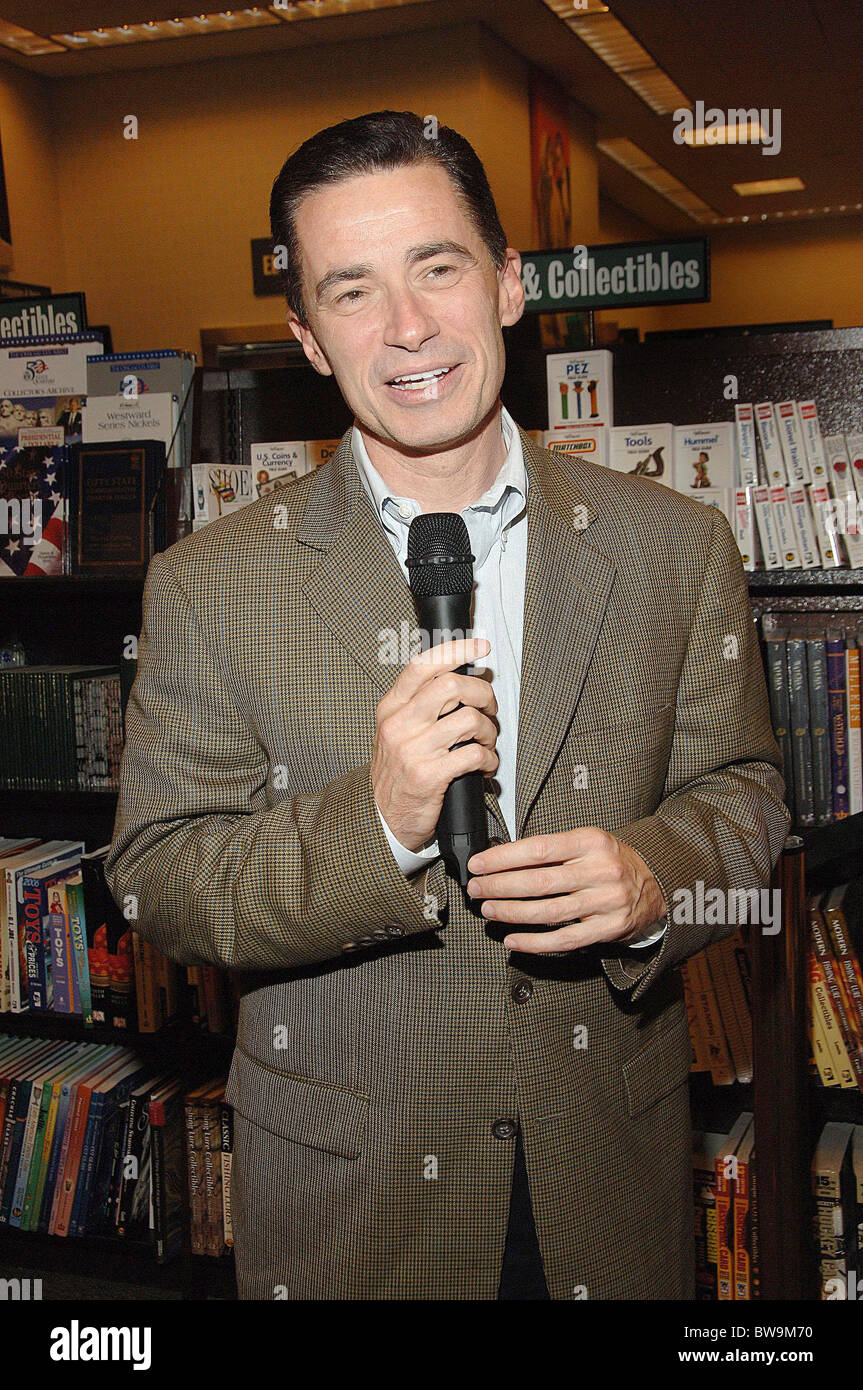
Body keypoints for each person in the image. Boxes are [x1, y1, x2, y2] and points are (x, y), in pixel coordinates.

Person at [105, 110, 790, 1301]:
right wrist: (372, 824)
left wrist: (651, 878)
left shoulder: (675, 545)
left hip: (606, 1186)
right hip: (351, 1215)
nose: (407, 327)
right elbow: (158, 876)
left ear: (510, 281)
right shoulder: (210, 584)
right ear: (307, 338)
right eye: (351, 290)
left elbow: (743, 793)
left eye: (438, 268)